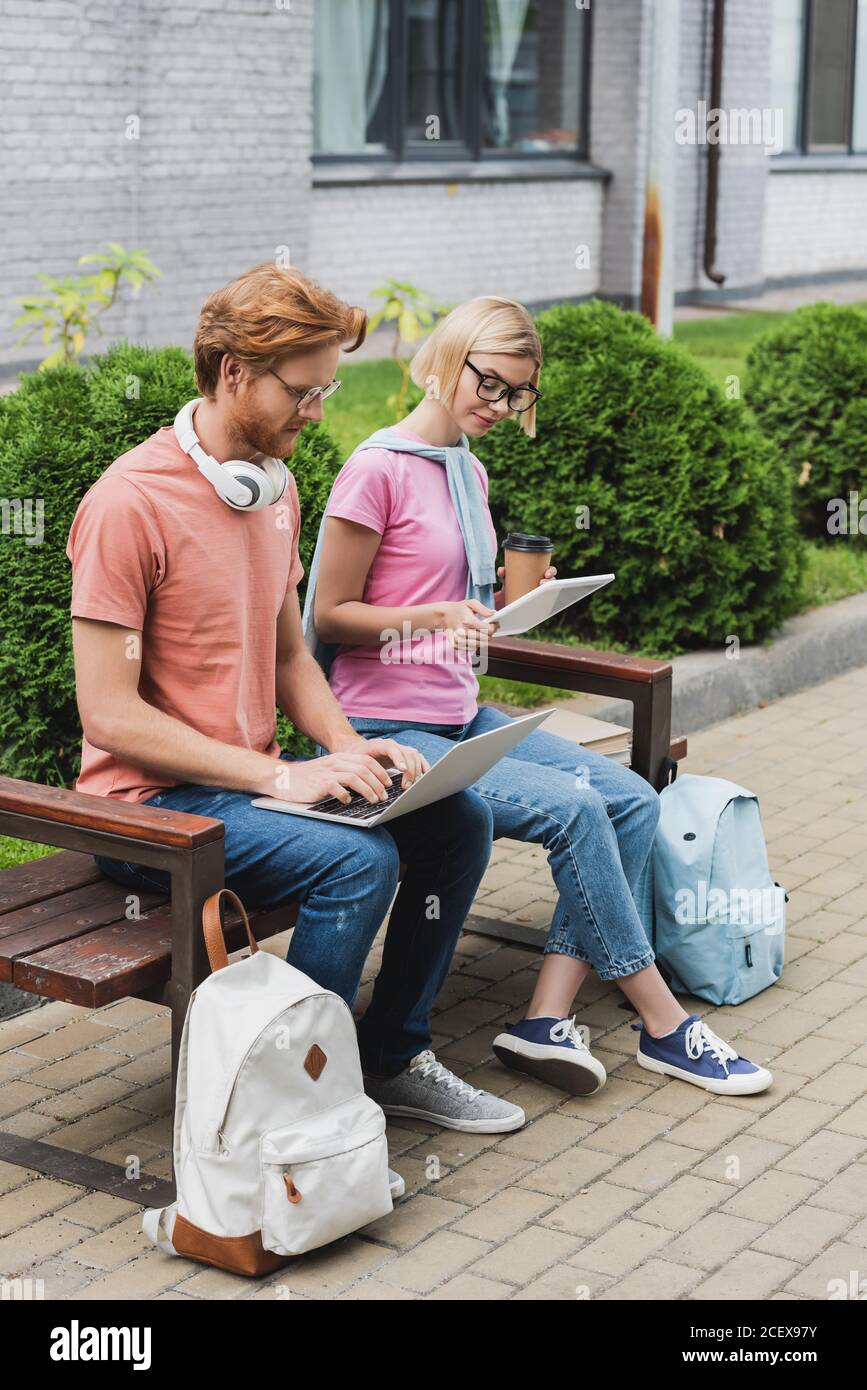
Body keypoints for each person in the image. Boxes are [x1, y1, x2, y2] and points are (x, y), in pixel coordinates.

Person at [66, 265, 528, 1158]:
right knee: (353, 861)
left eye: (328, 389)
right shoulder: (129, 505)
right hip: (150, 814)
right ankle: (282, 1112)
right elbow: (110, 716)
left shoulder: (272, 490)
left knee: (455, 820)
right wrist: (282, 774)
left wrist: (356, 750)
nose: (316, 412)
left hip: (241, 795)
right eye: (302, 390)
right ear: (233, 370)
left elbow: (288, 657)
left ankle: (389, 1057)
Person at [304, 295, 774, 1100]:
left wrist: (513, 608)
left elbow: (455, 608)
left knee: (627, 799)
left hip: (458, 710)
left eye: (518, 393)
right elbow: (330, 617)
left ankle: (542, 1018)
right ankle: (661, 1021)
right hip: (384, 724)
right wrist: (435, 616)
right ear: (448, 360)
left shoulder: (468, 469)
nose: (500, 406)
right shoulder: (375, 467)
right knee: (575, 809)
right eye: (489, 384)